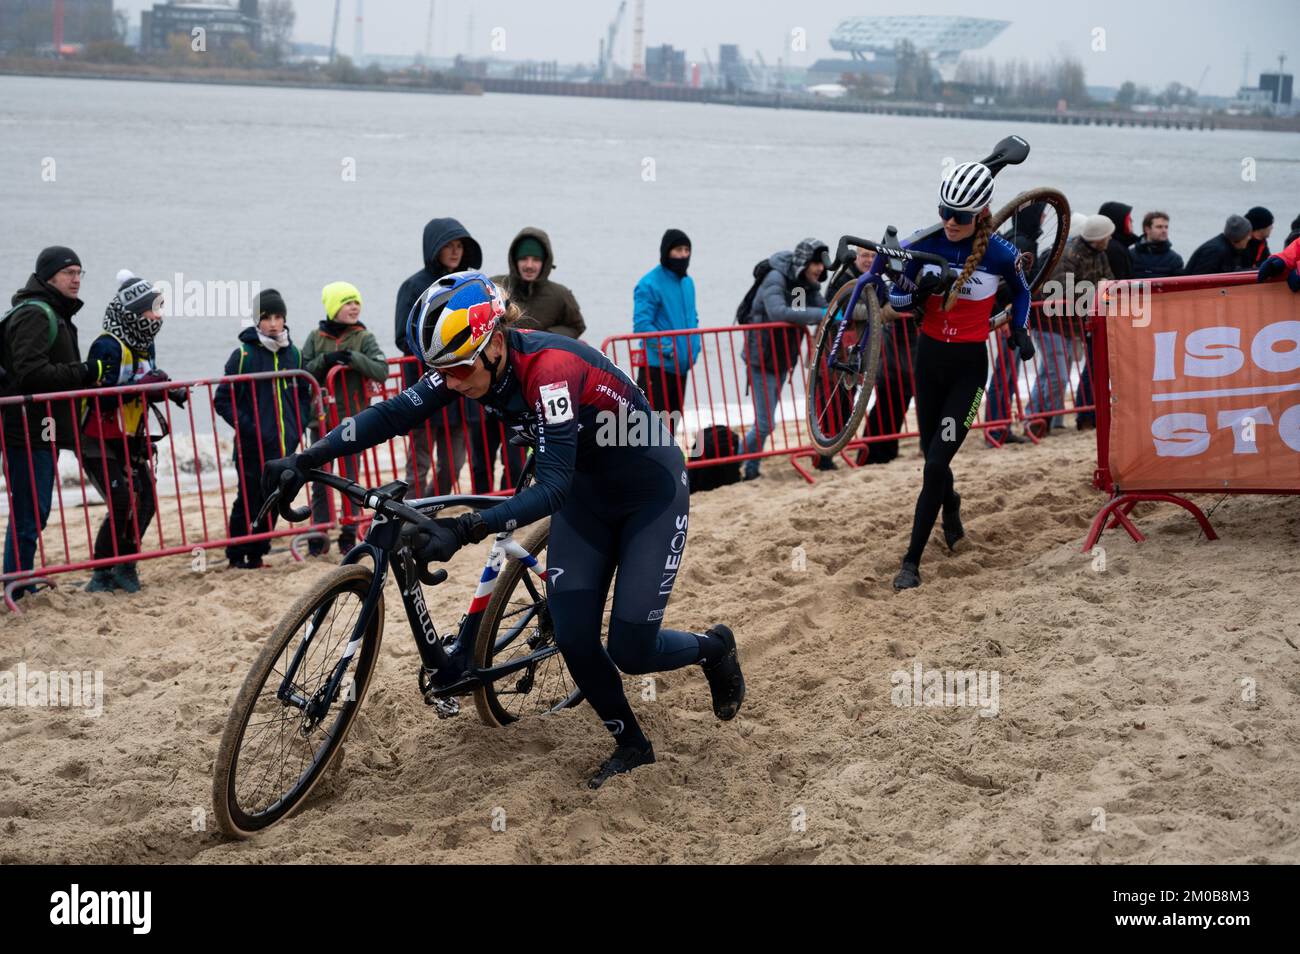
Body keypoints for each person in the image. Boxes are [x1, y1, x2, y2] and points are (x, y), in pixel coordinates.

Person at [263, 271, 745, 788]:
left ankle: (714, 646)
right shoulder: (466, 364)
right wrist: (306, 457)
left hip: (649, 496)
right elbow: (395, 413)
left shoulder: (550, 370)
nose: (449, 382)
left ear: (494, 340)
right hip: (587, 497)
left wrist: (466, 528)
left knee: (632, 650)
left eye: (459, 369)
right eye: (439, 370)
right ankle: (632, 744)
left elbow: (553, 487)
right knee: (576, 637)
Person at [887, 160, 1032, 591]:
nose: (950, 222)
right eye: (944, 211)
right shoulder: (924, 243)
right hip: (928, 361)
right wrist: (916, 295)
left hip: (968, 369)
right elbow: (895, 294)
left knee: (935, 461)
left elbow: (1023, 292)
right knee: (932, 461)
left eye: (961, 216)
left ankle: (911, 562)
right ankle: (950, 504)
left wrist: (1020, 330)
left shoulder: (1001, 254)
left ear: (982, 213)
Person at [1, 246, 107, 598]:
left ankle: (19, 579)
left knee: (33, 509)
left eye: (80, 273)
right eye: (69, 273)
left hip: (39, 428)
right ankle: (15, 585)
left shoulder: (54, 311)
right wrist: (85, 372)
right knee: (29, 510)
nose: (76, 279)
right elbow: (31, 374)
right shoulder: (35, 313)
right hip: (24, 429)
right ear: (48, 276)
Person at [81, 271, 187, 593]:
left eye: (159, 309)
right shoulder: (107, 345)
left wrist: (167, 391)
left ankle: (126, 565)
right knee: (122, 500)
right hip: (97, 438)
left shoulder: (145, 343)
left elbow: (144, 383)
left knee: (146, 502)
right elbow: (99, 398)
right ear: (133, 314)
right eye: (152, 310)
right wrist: (143, 386)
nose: (157, 317)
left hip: (132, 436)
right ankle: (101, 572)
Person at [214, 290, 314, 569]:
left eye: (278, 317)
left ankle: (258, 554)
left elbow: (304, 394)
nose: (273, 323)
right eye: (266, 317)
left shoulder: (294, 354)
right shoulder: (243, 355)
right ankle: (236, 556)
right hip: (250, 447)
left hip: (284, 445)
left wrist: (298, 425)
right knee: (246, 500)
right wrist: (251, 429)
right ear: (257, 321)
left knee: (275, 498)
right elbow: (222, 400)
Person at [481, 226, 583, 489]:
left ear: (545, 262)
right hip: (485, 383)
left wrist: (542, 337)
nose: (529, 265)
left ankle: (509, 502)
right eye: (524, 258)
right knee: (481, 454)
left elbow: (576, 325)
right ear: (514, 259)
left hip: (525, 389)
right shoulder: (495, 286)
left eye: (535, 259)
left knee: (514, 457)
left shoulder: (560, 295)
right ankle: (478, 505)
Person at [394, 218, 483, 495]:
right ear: (434, 248)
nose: (455, 252)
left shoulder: (468, 283)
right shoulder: (413, 286)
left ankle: (426, 511)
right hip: (425, 387)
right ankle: (407, 517)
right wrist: (440, 345)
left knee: (454, 465)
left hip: (461, 389)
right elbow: (401, 337)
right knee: (418, 466)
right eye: (448, 246)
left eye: (459, 246)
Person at [302, 281, 388, 556]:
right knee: (319, 478)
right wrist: (326, 360)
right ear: (333, 307)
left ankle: (349, 532)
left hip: (353, 421)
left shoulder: (364, 337)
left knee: (350, 477)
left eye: (356, 302)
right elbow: (302, 372)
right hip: (321, 420)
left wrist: (353, 358)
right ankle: (319, 531)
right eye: (347, 302)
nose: (354, 307)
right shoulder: (316, 337)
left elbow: (381, 369)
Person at [740, 238, 829, 480]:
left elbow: (813, 308)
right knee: (765, 424)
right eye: (816, 263)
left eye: (822, 264)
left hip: (782, 358)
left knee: (765, 423)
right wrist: (821, 314)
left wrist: (837, 310)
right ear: (804, 262)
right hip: (762, 357)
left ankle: (749, 469)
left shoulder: (804, 283)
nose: (820, 269)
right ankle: (734, 458)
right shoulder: (776, 278)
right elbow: (778, 311)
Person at [830, 246, 918, 466]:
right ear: (856, 257)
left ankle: (876, 454)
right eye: (864, 256)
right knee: (837, 406)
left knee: (878, 407)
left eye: (872, 256)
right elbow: (835, 312)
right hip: (838, 353)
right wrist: (880, 313)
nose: (869, 260)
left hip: (866, 353)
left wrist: (882, 312)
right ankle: (827, 458)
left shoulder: (879, 281)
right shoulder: (846, 279)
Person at [1026, 216, 1113, 437]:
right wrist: (1096, 292)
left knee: (1050, 373)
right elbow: (1062, 289)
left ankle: (1036, 416)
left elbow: (1109, 280)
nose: (1110, 238)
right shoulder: (1069, 254)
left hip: (1070, 323)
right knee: (1058, 375)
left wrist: (1109, 290)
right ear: (1099, 238)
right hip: (1049, 321)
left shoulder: (1099, 254)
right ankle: (1040, 418)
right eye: (1107, 235)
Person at [632, 229, 700, 435]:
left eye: (687, 250)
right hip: (657, 367)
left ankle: (669, 466)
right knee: (652, 428)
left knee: (673, 424)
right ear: (667, 252)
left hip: (681, 366)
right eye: (678, 250)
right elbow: (642, 325)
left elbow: (693, 318)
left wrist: (693, 348)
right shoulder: (649, 283)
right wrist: (668, 349)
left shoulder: (688, 282)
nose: (683, 255)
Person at [1184, 215, 1253, 275]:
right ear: (1239, 237)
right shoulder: (1215, 252)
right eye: (1247, 235)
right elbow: (1200, 280)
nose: (1249, 238)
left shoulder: (1230, 249)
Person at [1129, 211, 1185, 279]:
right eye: (1159, 227)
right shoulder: (1130, 255)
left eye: (1166, 227)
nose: (1164, 230)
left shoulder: (1175, 259)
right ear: (1147, 229)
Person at [1097, 201, 1136, 280]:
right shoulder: (1114, 249)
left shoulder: (1119, 244)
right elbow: (1119, 282)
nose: (1132, 221)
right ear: (1118, 221)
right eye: (1128, 219)